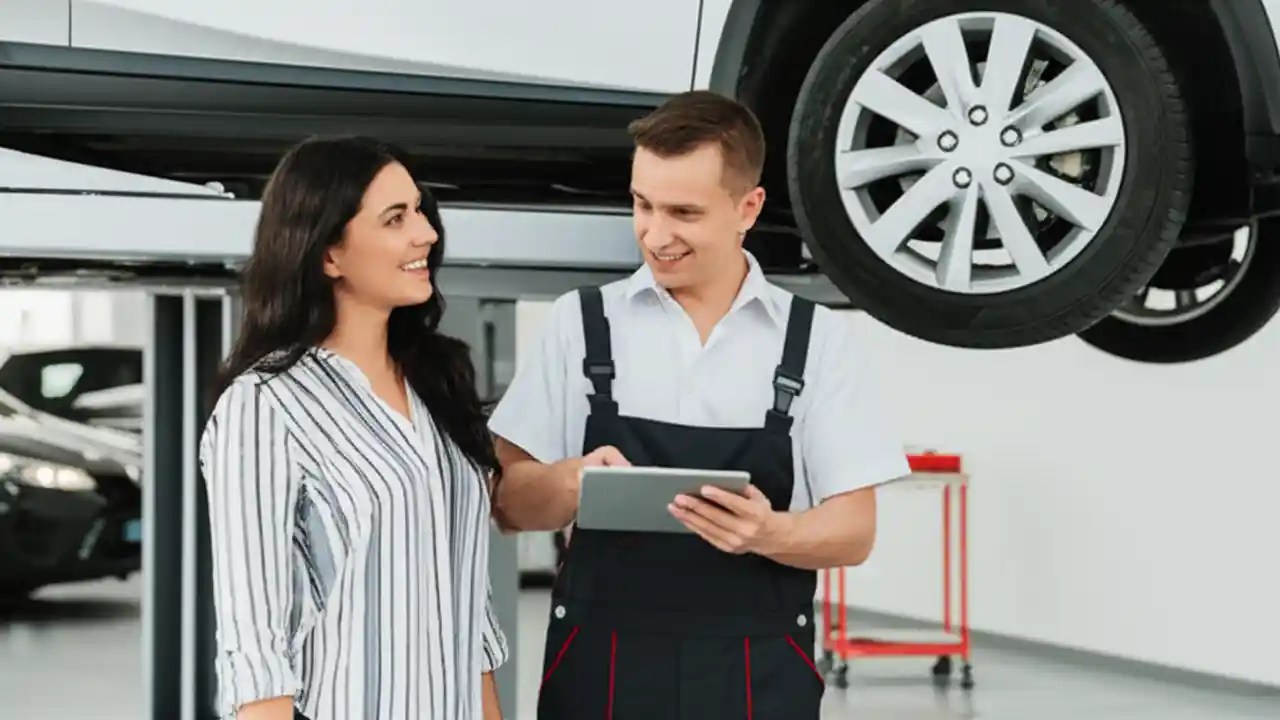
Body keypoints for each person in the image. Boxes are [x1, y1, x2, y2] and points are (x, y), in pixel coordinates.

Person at [487, 90, 912, 719]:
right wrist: (570, 482)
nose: (656, 235)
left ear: (748, 207)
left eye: (684, 212)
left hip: (758, 675)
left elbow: (855, 531)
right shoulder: (580, 324)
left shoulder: (817, 340)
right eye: (642, 204)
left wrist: (772, 532)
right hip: (601, 669)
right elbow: (508, 503)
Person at [199, 136, 508, 720]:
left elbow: (474, 616)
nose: (426, 234)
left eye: (420, 211)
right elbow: (255, 646)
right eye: (395, 219)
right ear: (327, 254)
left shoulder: (439, 386)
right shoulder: (264, 405)